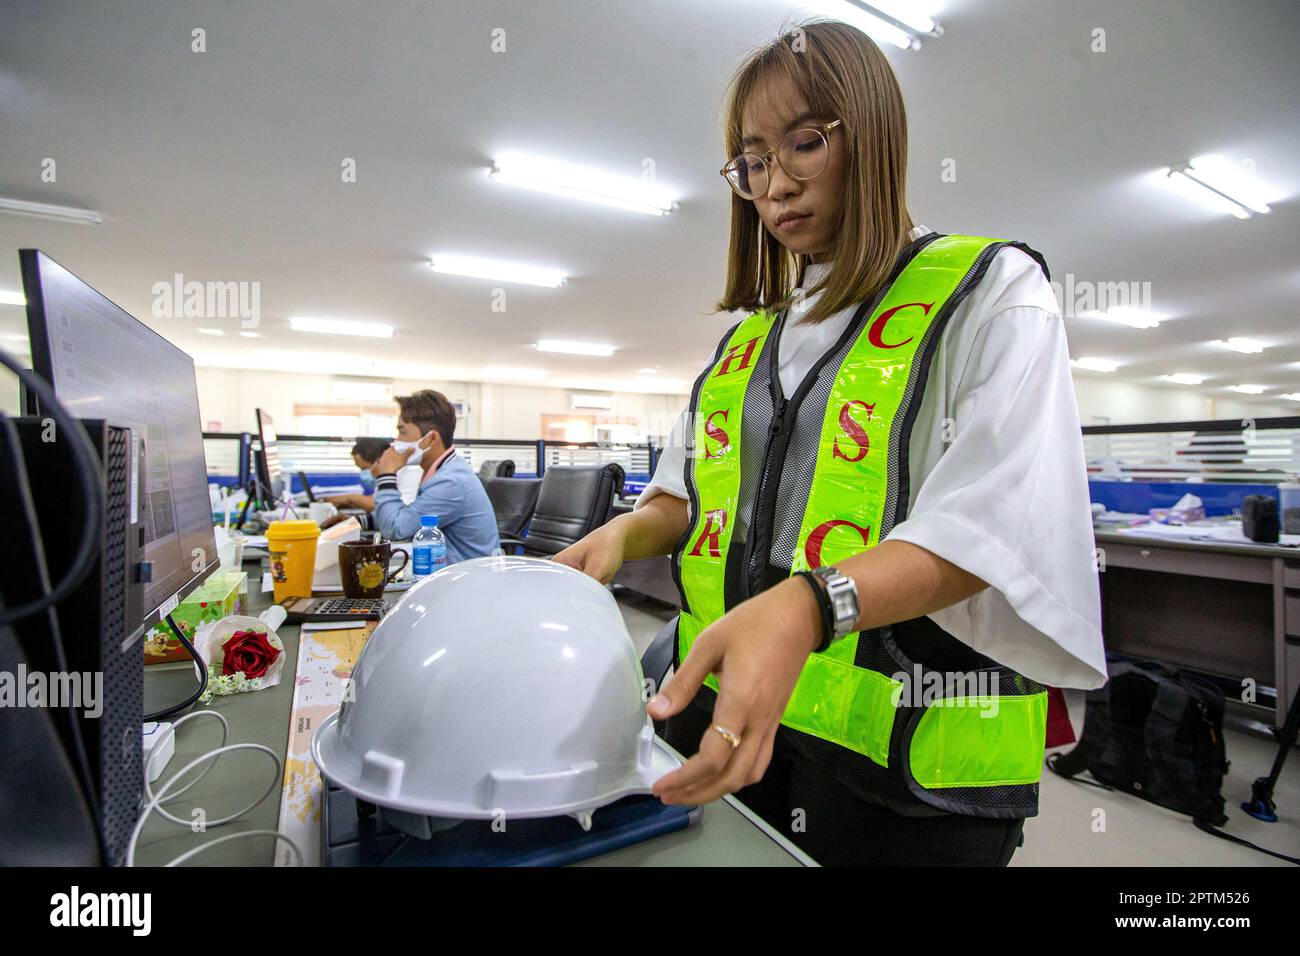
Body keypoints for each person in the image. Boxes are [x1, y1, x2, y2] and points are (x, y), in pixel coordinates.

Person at [554, 19, 1105, 866]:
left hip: (911, 765)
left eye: (805, 143)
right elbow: (684, 492)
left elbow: (994, 527)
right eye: (753, 162)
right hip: (742, 722)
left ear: (874, 134)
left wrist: (812, 605)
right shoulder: (749, 340)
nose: (775, 185)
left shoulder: (988, 290)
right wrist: (619, 537)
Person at [326, 390, 500, 562]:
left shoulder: (451, 481)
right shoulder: (442, 470)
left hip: (464, 578)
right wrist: (358, 522)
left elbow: (395, 528)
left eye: (402, 432)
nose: (396, 442)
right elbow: (410, 516)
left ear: (431, 439)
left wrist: (387, 474)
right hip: (446, 567)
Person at [324, 437, 392, 511]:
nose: (362, 474)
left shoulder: (400, 479)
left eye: (364, 469)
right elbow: (376, 499)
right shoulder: (380, 485)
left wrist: (349, 498)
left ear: (380, 462)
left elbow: (380, 505)